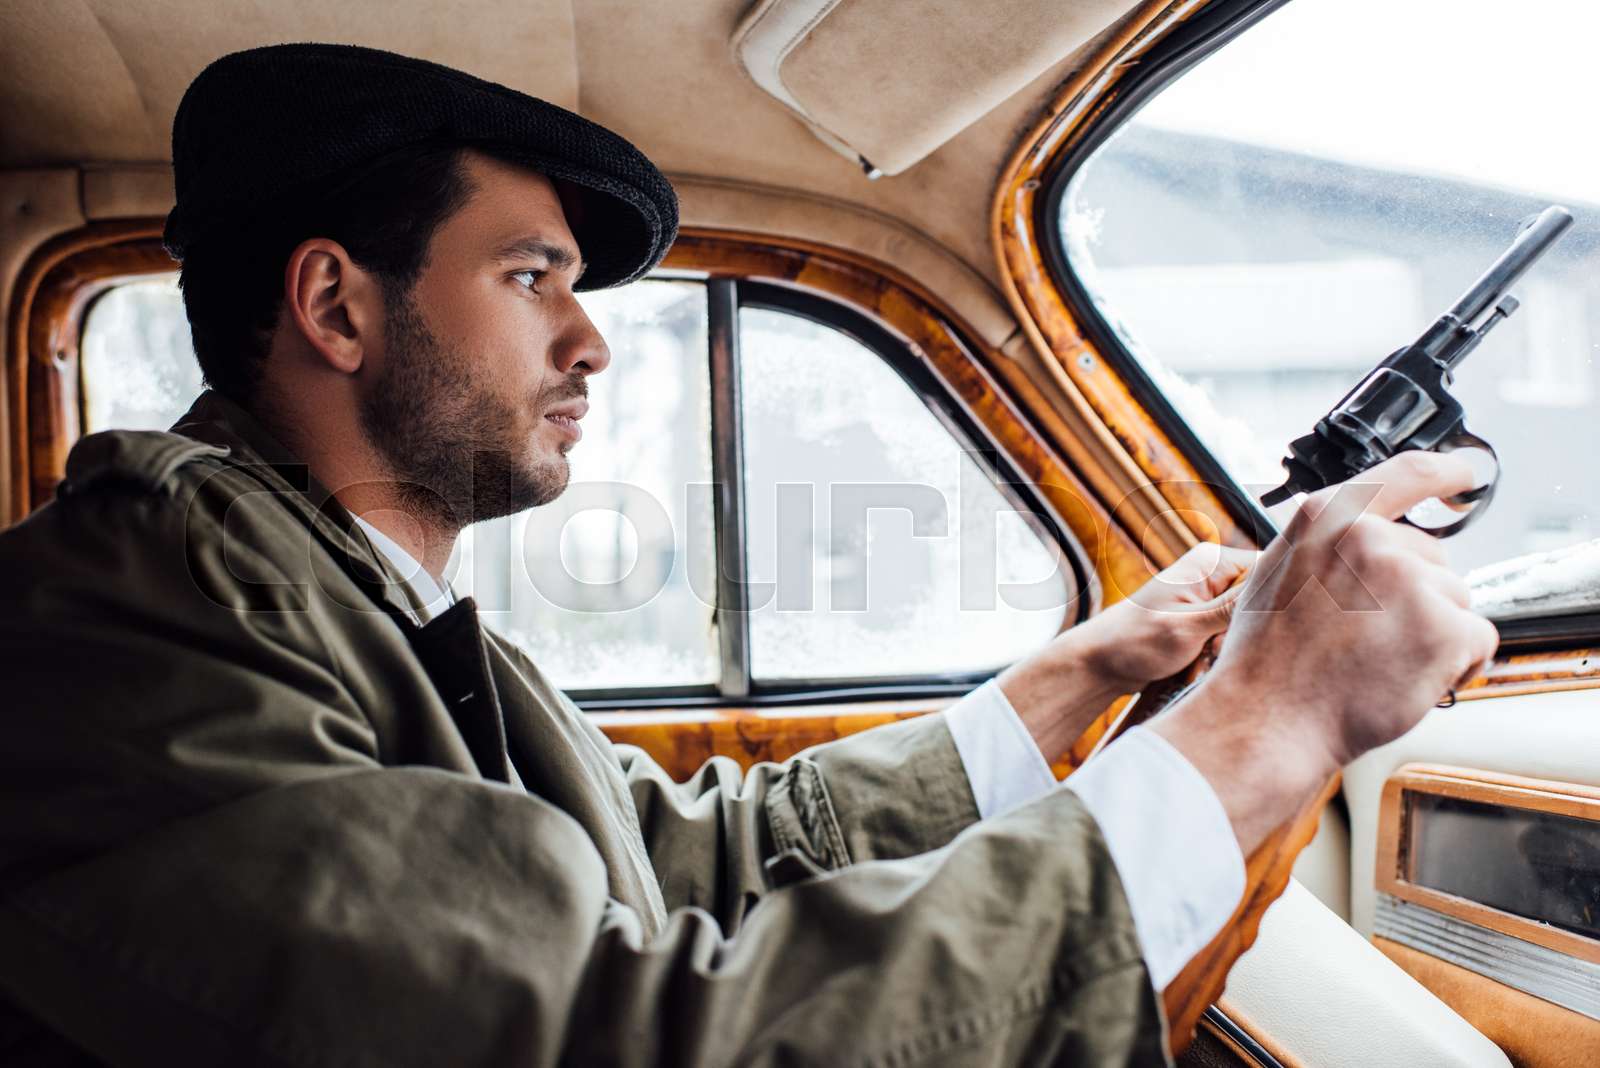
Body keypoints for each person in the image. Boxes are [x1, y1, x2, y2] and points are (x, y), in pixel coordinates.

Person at [0, 44, 1497, 1067]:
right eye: (533, 280)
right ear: (337, 308)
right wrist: (1266, 725)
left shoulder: (364, 598)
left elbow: (676, 860)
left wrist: (1087, 670)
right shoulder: (131, 621)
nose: (589, 342)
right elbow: (621, 1037)